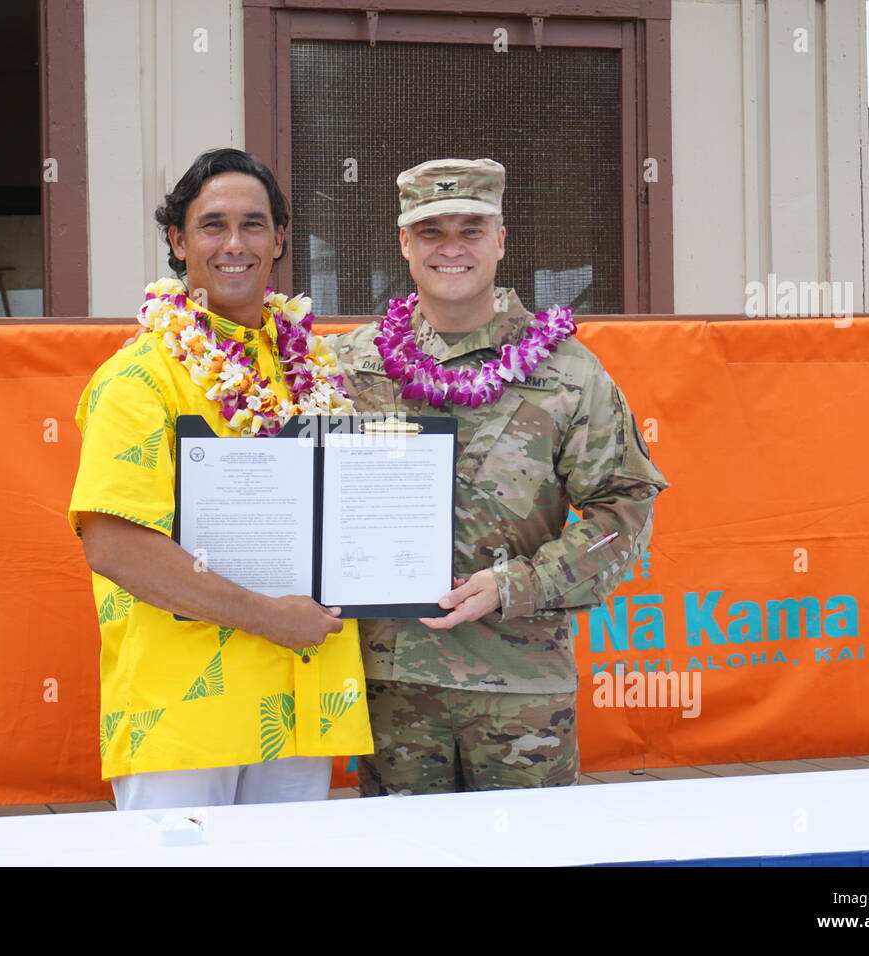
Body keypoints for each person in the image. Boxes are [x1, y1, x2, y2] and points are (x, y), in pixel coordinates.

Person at [332, 157, 670, 795]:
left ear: (501, 241)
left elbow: (622, 510)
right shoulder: (352, 363)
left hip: (521, 686)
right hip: (390, 683)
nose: (451, 248)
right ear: (404, 242)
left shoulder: (569, 372)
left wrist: (517, 584)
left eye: (471, 230)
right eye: (431, 231)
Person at [67, 147, 371, 811]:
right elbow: (114, 547)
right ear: (177, 242)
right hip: (183, 715)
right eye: (212, 225)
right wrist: (269, 617)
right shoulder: (138, 379)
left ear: (280, 238)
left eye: (254, 224)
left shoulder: (312, 368)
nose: (235, 243)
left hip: (299, 700)